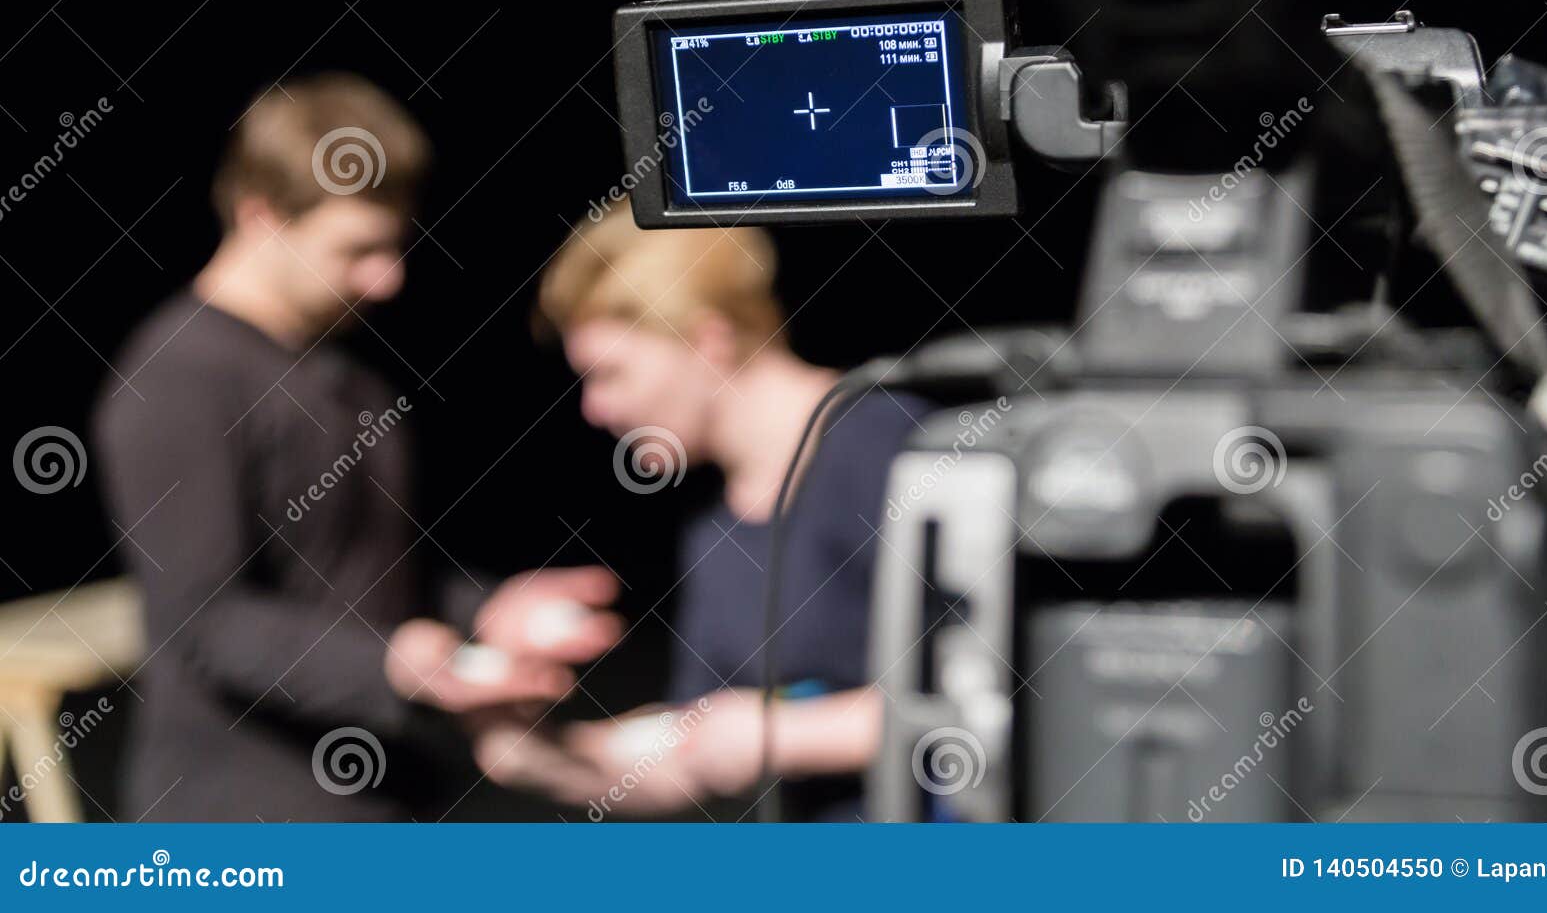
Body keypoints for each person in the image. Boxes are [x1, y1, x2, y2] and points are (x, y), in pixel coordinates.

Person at [92, 74, 620, 821]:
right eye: (356, 248)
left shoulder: (343, 366)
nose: (387, 277)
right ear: (261, 216)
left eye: (394, 243)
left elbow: (366, 570)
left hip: (382, 796)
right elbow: (203, 619)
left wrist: (487, 607)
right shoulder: (178, 379)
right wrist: (392, 666)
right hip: (247, 813)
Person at [471, 204, 929, 819]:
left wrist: (789, 735)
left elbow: (1009, 687)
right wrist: (527, 749)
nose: (595, 409)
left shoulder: (889, 444)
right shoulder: (713, 524)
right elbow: (696, 752)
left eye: (611, 373)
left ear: (707, 339)